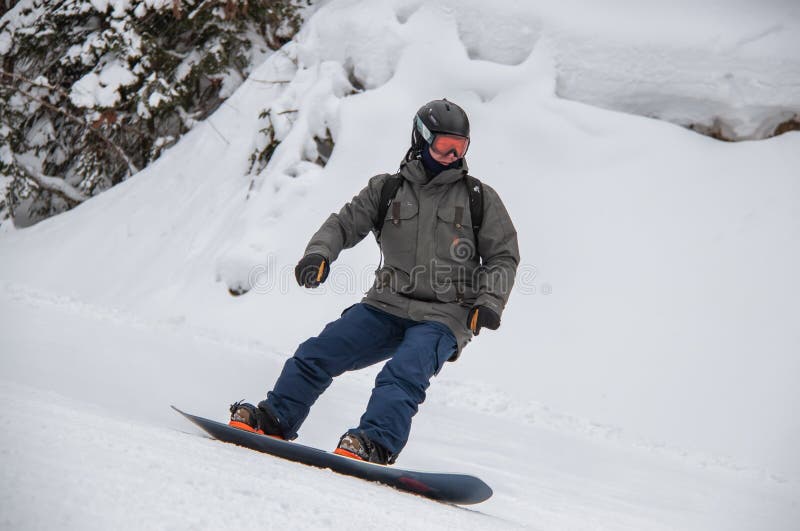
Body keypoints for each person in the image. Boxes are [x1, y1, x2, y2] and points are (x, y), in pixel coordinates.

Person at [229, 99, 520, 464]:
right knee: (318, 352)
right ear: (421, 139)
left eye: (460, 148)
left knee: (403, 374)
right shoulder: (387, 190)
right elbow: (343, 224)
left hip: (446, 315)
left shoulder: (479, 198)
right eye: (444, 146)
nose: (452, 156)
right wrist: (319, 254)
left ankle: (375, 442)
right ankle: (274, 418)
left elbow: (503, 256)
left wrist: (489, 302)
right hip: (386, 304)